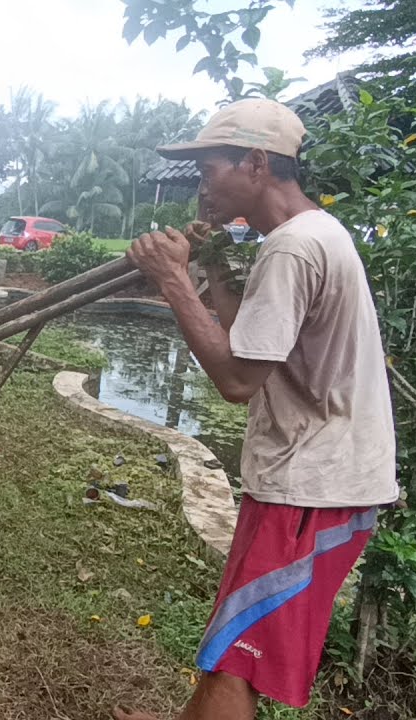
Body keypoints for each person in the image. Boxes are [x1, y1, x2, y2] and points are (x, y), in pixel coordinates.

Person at [115, 99, 398, 720]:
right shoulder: (309, 234)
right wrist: (212, 265)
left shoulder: (293, 249)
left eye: (209, 168)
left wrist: (173, 281)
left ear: (256, 162)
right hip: (314, 481)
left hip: (311, 490)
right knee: (234, 644)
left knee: (236, 658)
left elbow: (239, 380)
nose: (201, 183)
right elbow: (253, 344)